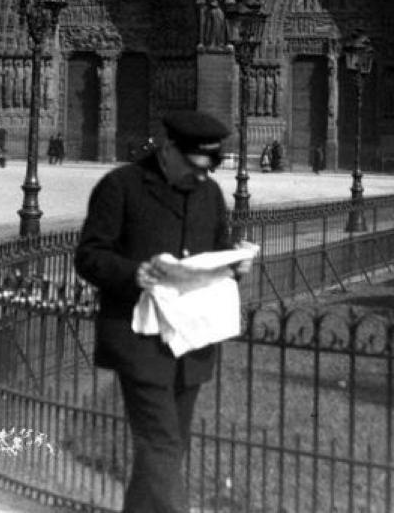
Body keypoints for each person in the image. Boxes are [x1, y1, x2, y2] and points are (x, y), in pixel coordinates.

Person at [75, 109, 252, 513]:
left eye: (210, 168)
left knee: (167, 447)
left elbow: (215, 251)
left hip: (192, 341)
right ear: (169, 150)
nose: (203, 177)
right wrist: (133, 272)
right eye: (195, 167)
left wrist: (234, 266)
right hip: (141, 339)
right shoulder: (121, 186)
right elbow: (89, 256)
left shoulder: (209, 193)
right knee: (161, 442)